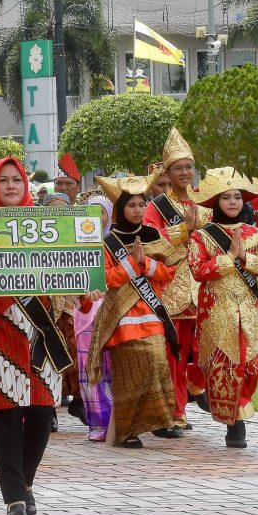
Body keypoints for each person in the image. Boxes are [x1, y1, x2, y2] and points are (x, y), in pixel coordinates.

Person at [0, 158, 82, 515]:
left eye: (17, 179)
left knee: (40, 412)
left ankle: (26, 482)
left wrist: (86, 286)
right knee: (5, 415)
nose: (12, 186)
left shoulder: (50, 225)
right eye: (3, 181)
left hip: (40, 332)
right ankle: (14, 496)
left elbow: (71, 267)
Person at [188, 167, 258, 448]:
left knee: (251, 367)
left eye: (237, 197)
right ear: (216, 202)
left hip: (250, 311)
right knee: (224, 367)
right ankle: (233, 422)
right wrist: (229, 258)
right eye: (226, 197)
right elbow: (197, 270)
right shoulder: (202, 237)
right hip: (216, 312)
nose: (232, 202)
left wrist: (248, 260)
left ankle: (239, 408)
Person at [86, 175, 182, 449]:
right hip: (120, 318)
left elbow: (169, 272)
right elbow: (102, 279)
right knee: (128, 376)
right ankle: (128, 431)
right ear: (120, 208)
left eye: (142, 204)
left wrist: (147, 264)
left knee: (156, 364)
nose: (138, 210)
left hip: (151, 315)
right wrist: (132, 265)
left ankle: (157, 420)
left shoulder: (154, 236)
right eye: (132, 205)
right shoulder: (108, 241)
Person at [143, 128, 211, 432]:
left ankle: (197, 388)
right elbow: (150, 245)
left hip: (208, 285)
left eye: (188, 166)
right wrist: (184, 229)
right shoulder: (157, 207)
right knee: (176, 352)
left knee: (209, 349)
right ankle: (175, 409)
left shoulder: (208, 201)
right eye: (178, 168)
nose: (184, 172)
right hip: (174, 290)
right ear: (167, 172)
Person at [74, 196, 116, 442]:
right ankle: (98, 422)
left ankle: (117, 421)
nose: (96, 217)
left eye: (101, 212)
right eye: (90, 212)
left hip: (113, 312)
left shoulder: (116, 243)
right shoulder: (73, 246)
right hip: (86, 314)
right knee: (90, 370)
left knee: (112, 367)